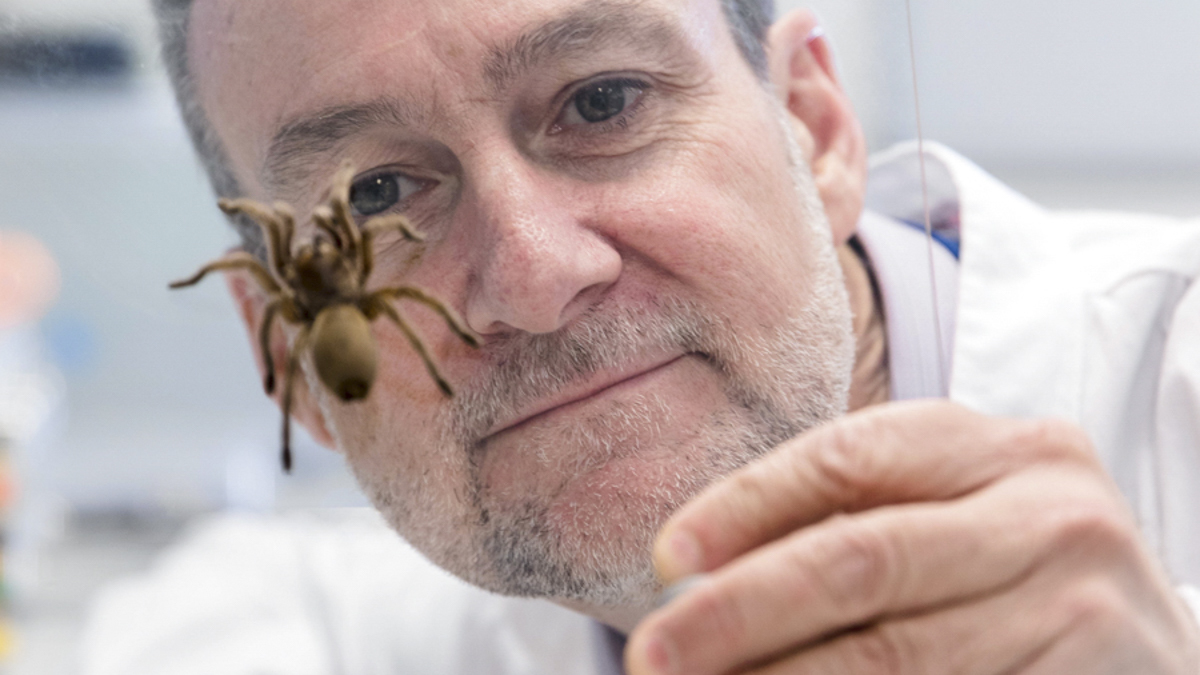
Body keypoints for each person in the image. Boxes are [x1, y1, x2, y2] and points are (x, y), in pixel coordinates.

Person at [83, 0, 1200, 672]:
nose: (531, 277)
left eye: (604, 102)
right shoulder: (440, 623)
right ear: (287, 359)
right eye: (376, 194)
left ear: (814, 128)